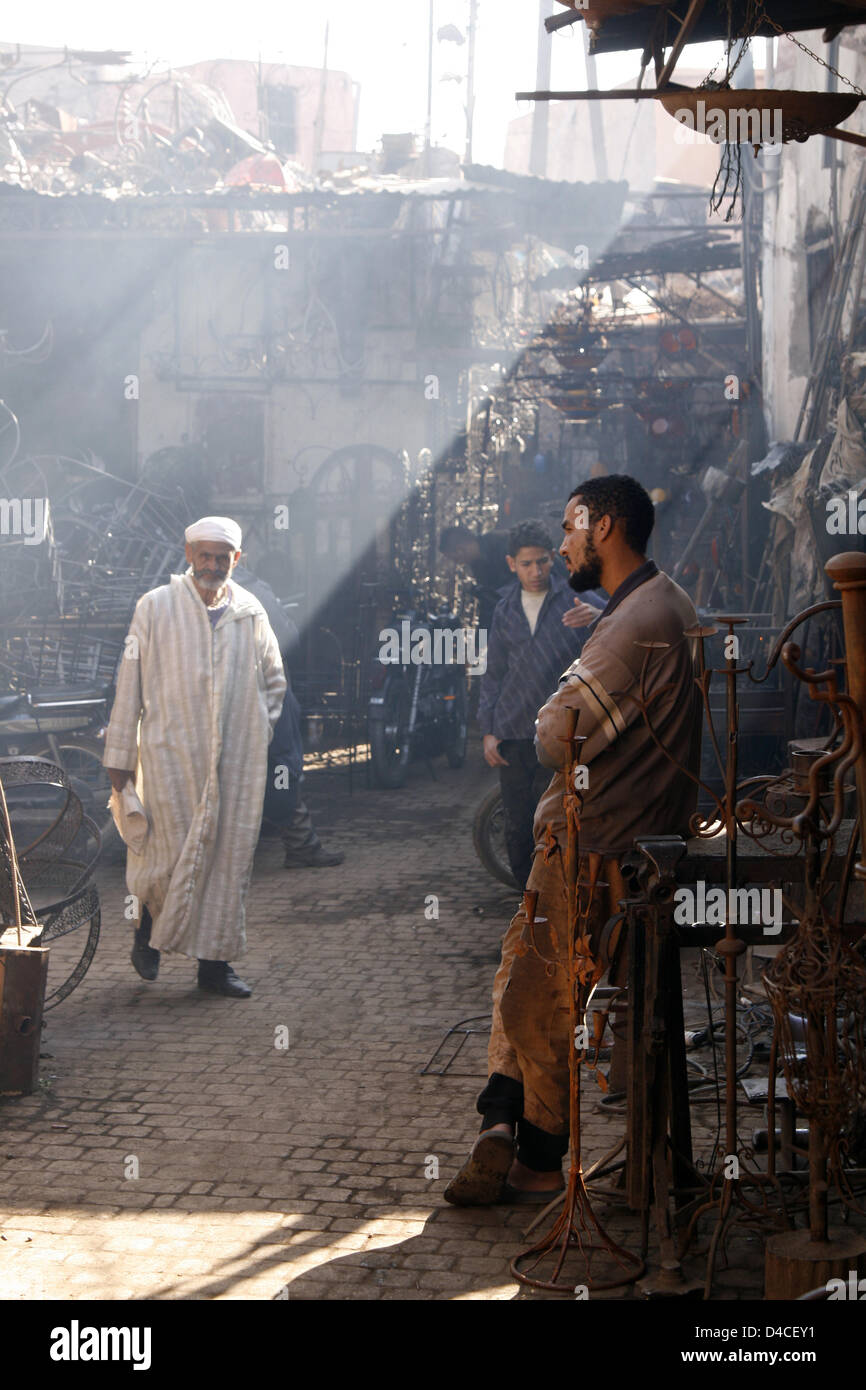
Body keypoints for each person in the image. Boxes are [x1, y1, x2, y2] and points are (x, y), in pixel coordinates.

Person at [445, 475, 702, 1205]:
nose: (559, 546)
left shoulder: (638, 617)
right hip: (600, 836)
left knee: (537, 996)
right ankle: (506, 1132)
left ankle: (531, 1158)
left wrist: (551, 710)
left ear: (607, 526)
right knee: (525, 983)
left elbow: (556, 735)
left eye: (569, 528)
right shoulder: (649, 605)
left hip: (599, 843)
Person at [103, 517, 286, 999]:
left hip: (234, 766)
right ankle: (147, 934)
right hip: (168, 756)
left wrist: (256, 731)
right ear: (188, 554)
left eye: (221, 557)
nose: (211, 565)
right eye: (203, 555)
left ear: (236, 560)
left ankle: (215, 967)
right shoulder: (155, 607)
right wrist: (120, 754)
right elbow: (131, 681)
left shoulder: (250, 612)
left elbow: (273, 680)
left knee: (227, 860)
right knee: (162, 856)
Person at [477, 518, 603, 890]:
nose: (536, 571)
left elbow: (623, 623)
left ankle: (559, 899)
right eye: (526, 564)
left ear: (553, 559)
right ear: (511, 564)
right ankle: (527, 902)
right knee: (518, 823)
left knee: (557, 820)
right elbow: (493, 674)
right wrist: (487, 730)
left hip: (564, 730)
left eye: (542, 562)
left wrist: (599, 617)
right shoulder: (504, 610)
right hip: (514, 731)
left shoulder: (577, 599)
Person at [232, 561, 344, 870]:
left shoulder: (181, 594)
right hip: (260, 693)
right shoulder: (254, 591)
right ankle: (301, 845)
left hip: (216, 706)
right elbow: (285, 634)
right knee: (280, 764)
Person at [439, 524, 511, 633]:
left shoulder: (503, 544)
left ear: (460, 549)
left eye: (455, 558)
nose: (458, 563)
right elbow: (488, 603)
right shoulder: (478, 564)